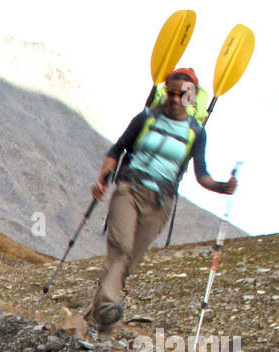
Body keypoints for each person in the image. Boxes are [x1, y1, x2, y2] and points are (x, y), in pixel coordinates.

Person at [85, 68, 237, 333]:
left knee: (128, 263)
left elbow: (202, 175)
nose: (176, 99)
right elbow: (116, 149)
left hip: (160, 203)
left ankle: (97, 316)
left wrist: (223, 187)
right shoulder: (146, 118)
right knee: (120, 248)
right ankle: (109, 307)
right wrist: (102, 179)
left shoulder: (196, 133)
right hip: (128, 189)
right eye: (172, 93)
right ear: (165, 92)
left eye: (183, 94)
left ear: (192, 98)